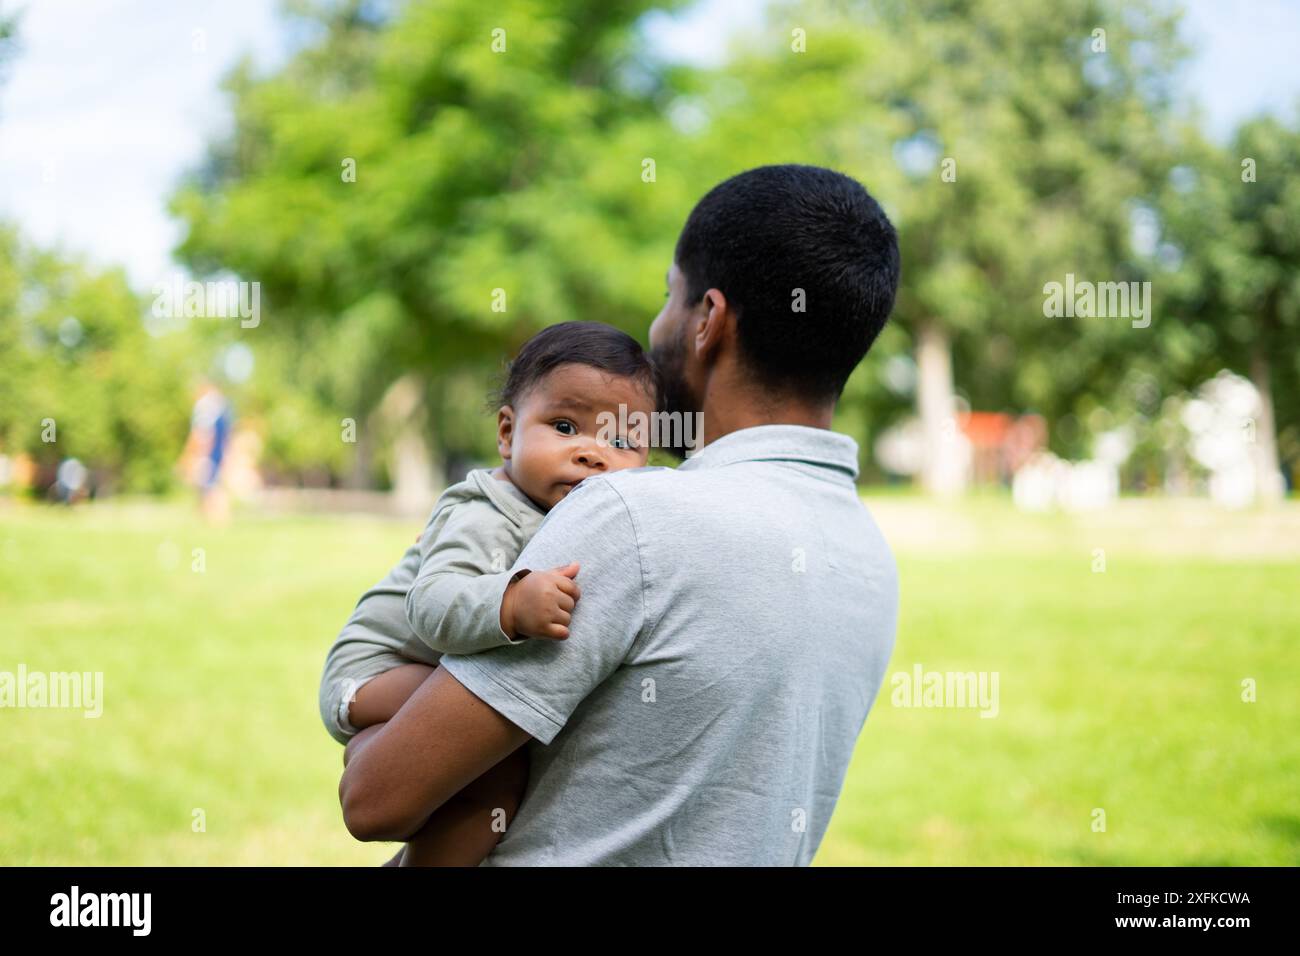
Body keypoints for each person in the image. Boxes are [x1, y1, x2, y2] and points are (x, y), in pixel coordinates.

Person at [338, 163, 902, 865]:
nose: (657, 320)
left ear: (709, 321)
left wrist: (360, 717)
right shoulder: (870, 556)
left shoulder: (630, 516)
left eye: (670, 294)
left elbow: (374, 797)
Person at [319, 322, 659, 865]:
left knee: (490, 793)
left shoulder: (576, 514)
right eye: (565, 425)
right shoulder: (487, 513)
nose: (593, 453)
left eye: (621, 439)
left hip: (419, 672)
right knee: (495, 762)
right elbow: (430, 605)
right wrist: (512, 603)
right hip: (374, 671)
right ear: (507, 433)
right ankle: (375, 751)